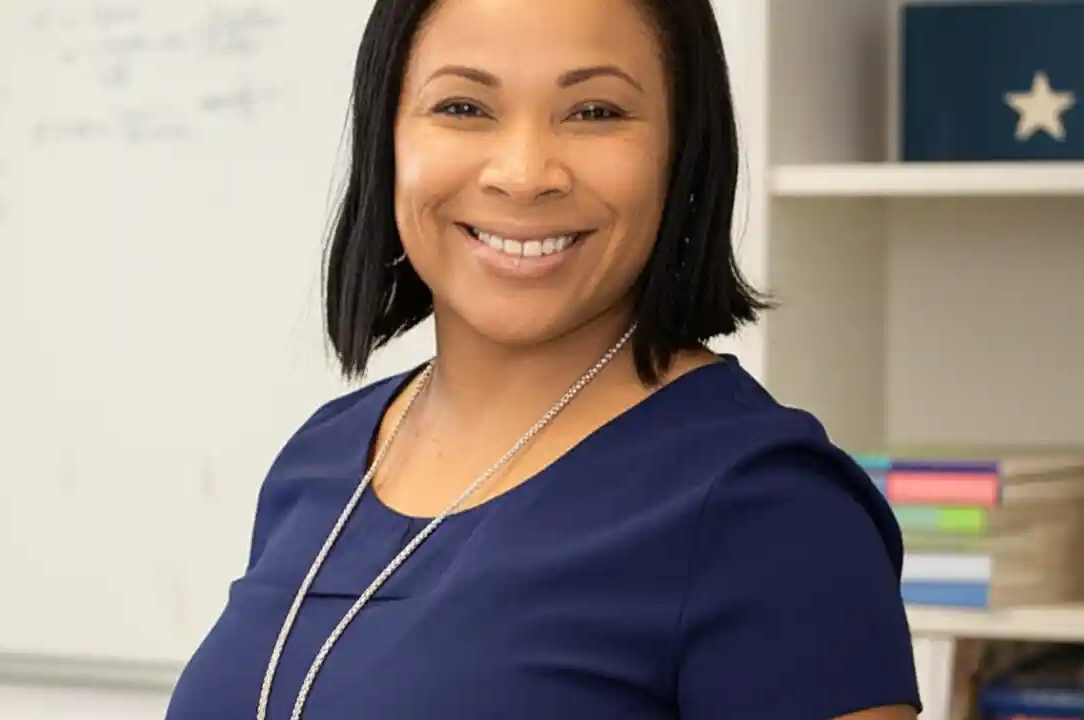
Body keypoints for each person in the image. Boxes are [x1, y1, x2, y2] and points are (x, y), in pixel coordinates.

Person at [166, 0, 923, 717]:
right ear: (387, 137)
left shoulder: (769, 509)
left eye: (594, 113)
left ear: (681, 152)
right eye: (463, 107)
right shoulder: (323, 461)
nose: (524, 172)